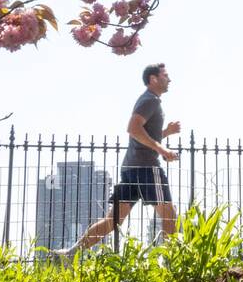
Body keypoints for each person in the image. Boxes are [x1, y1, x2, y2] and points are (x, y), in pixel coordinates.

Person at [50, 63, 180, 259]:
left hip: (131, 168)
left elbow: (142, 136)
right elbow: (133, 129)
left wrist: (165, 134)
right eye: (165, 76)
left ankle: (70, 253)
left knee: (114, 219)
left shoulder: (148, 100)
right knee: (169, 214)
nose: (169, 79)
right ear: (153, 79)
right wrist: (162, 149)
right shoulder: (150, 100)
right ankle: (173, 264)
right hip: (146, 168)